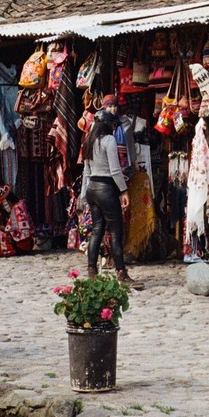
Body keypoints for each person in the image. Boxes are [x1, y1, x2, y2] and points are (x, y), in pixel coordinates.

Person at [80, 106, 144, 289]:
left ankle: (92, 272)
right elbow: (115, 170)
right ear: (108, 125)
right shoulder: (109, 141)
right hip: (107, 188)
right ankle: (121, 273)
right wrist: (123, 191)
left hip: (92, 188)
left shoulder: (88, 141)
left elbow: (86, 171)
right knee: (116, 231)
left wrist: (84, 195)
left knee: (97, 230)